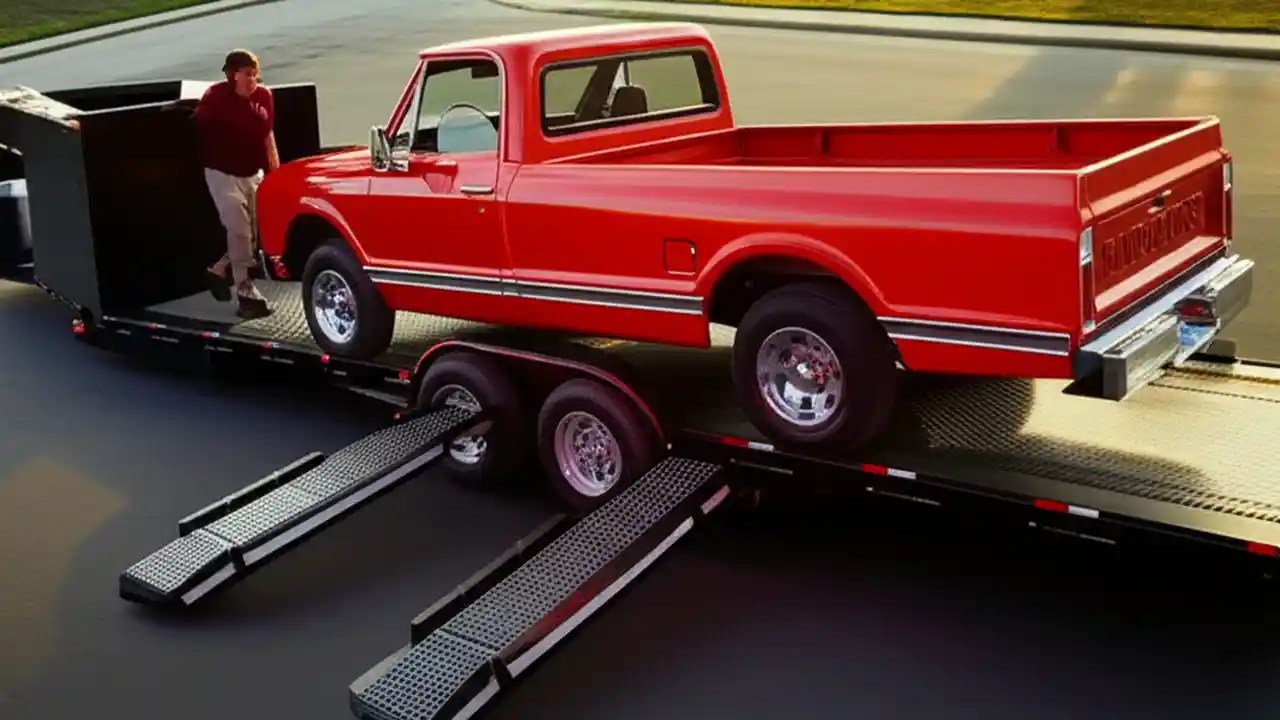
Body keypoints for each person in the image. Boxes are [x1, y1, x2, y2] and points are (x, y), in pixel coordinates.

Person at [194, 49, 279, 319]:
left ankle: (218, 271)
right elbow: (200, 126)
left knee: (252, 236)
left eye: (255, 74)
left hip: (252, 174)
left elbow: (268, 138)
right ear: (232, 75)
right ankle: (246, 293)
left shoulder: (264, 96)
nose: (253, 79)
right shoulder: (215, 98)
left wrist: (275, 174)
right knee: (239, 231)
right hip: (222, 174)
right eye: (247, 74)